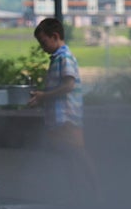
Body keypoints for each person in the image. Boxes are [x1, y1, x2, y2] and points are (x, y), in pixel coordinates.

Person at [28, 17, 99, 198]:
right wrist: (42, 99)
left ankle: (97, 191)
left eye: (44, 42)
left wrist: (44, 96)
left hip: (67, 117)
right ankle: (75, 194)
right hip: (60, 118)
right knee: (69, 156)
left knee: (78, 153)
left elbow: (69, 85)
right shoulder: (58, 58)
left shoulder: (65, 58)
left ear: (55, 36)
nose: (42, 47)